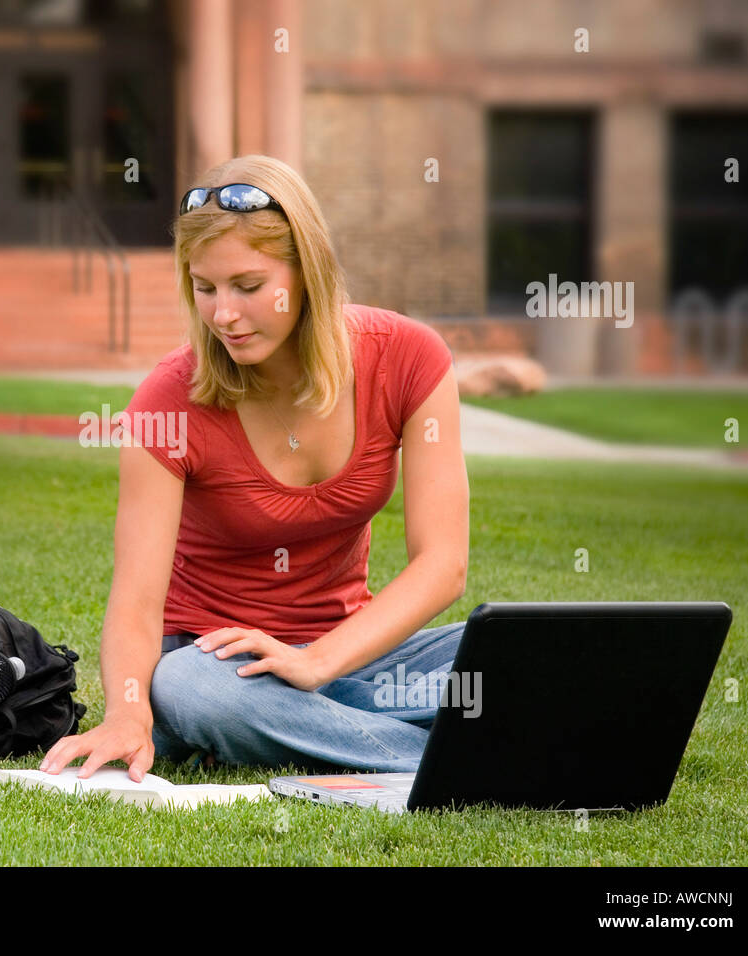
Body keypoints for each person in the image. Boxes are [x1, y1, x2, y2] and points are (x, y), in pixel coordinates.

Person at [39, 154, 469, 782]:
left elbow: (443, 565)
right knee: (187, 691)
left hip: (350, 654)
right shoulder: (168, 400)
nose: (223, 315)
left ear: (308, 271)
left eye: (247, 286)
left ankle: (318, 723)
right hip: (216, 664)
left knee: (518, 653)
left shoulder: (408, 358)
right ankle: (444, 757)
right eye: (204, 288)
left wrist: (318, 661)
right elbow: (135, 600)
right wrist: (130, 714)